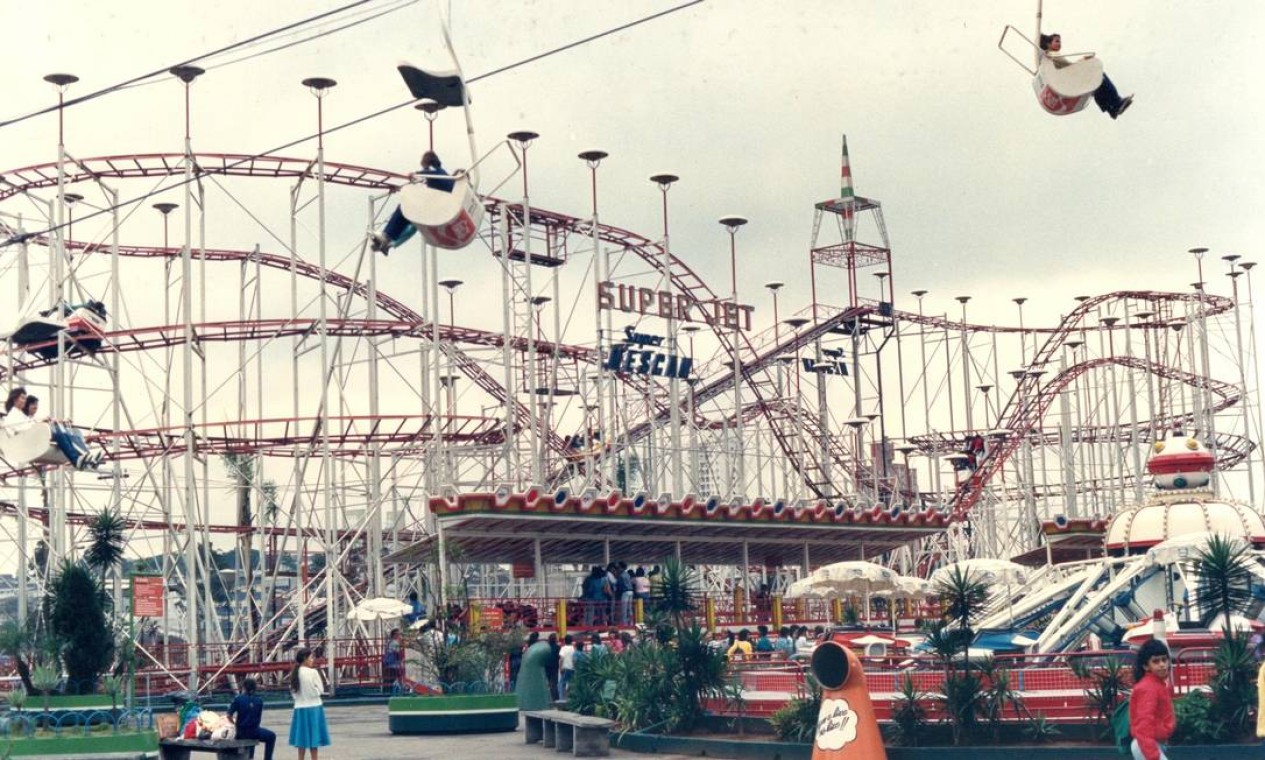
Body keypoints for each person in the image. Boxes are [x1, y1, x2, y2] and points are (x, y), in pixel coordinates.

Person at [370, 151, 456, 255]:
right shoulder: (444, 176)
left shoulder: (436, 173)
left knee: (404, 209)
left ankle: (387, 237)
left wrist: (415, 174)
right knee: (409, 220)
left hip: (435, 211)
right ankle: (388, 241)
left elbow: (430, 174)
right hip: (439, 210)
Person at [4, 387, 102, 470]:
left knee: (66, 434)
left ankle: (87, 457)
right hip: (27, 441)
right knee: (60, 434)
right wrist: (40, 423)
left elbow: (29, 425)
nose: (24, 401)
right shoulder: (12, 415)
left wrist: (41, 423)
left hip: (32, 436)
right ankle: (78, 459)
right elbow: (22, 429)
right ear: (15, 399)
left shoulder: (21, 415)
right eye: (22, 398)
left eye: (25, 398)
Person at [1039, 33, 1133, 119]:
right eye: (1057, 41)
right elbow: (1070, 67)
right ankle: (1116, 103)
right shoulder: (1053, 55)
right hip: (1070, 80)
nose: (1060, 43)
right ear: (1048, 44)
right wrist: (1083, 61)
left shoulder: (1053, 57)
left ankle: (1112, 109)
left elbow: (1068, 66)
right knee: (1100, 77)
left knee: (1096, 88)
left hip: (1069, 80)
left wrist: (1082, 60)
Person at [1129, 638, 1174, 760]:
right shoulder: (1149, 688)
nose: (1162, 664)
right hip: (1147, 746)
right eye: (1156, 661)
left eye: (1164, 659)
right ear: (1145, 666)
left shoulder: (1154, 685)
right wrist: (1153, 756)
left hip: (1147, 744)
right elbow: (1144, 724)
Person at [288, 648, 330, 759]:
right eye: (311, 658)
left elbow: (293, 693)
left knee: (301, 741)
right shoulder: (313, 672)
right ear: (305, 659)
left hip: (300, 708)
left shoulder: (295, 673)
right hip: (314, 707)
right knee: (314, 741)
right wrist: (313, 692)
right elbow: (320, 690)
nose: (313, 660)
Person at [227, 677, 276, 760]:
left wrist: (234, 723)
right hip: (254, 731)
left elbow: (229, 715)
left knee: (249, 737)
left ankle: (250, 757)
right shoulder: (259, 701)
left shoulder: (238, 699)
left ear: (244, 688)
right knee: (272, 736)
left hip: (241, 733)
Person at [558, 634, 577, 700]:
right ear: (571, 641)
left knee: (561, 684)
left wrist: (560, 668)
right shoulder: (573, 648)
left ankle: (562, 699)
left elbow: (561, 659)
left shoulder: (563, 648)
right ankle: (570, 698)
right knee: (571, 684)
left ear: (565, 641)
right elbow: (574, 659)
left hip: (565, 668)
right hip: (572, 668)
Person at [544, 632, 561, 701]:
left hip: (547, 666)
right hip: (555, 667)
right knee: (554, 683)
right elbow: (559, 657)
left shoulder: (546, 647)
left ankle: (547, 698)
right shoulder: (558, 647)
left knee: (547, 683)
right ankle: (555, 698)